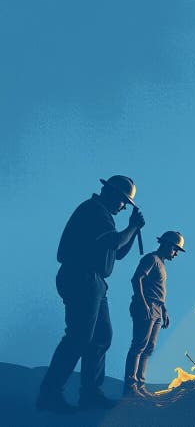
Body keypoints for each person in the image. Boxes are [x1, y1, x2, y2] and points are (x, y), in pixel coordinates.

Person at [37, 175, 146, 413]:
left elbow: (117, 253)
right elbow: (116, 243)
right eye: (123, 202)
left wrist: (132, 229)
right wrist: (133, 227)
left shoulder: (104, 215)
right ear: (113, 194)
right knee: (78, 337)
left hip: (94, 281)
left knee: (100, 337)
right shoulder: (94, 211)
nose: (123, 206)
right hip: (81, 276)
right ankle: (50, 394)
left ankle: (90, 393)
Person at [123, 231, 185, 397]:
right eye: (175, 249)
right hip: (146, 305)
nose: (176, 253)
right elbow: (136, 279)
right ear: (167, 244)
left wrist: (164, 310)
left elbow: (158, 290)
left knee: (149, 348)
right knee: (139, 346)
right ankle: (130, 388)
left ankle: (140, 386)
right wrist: (143, 304)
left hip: (156, 308)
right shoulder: (151, 259)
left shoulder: (161, 264)